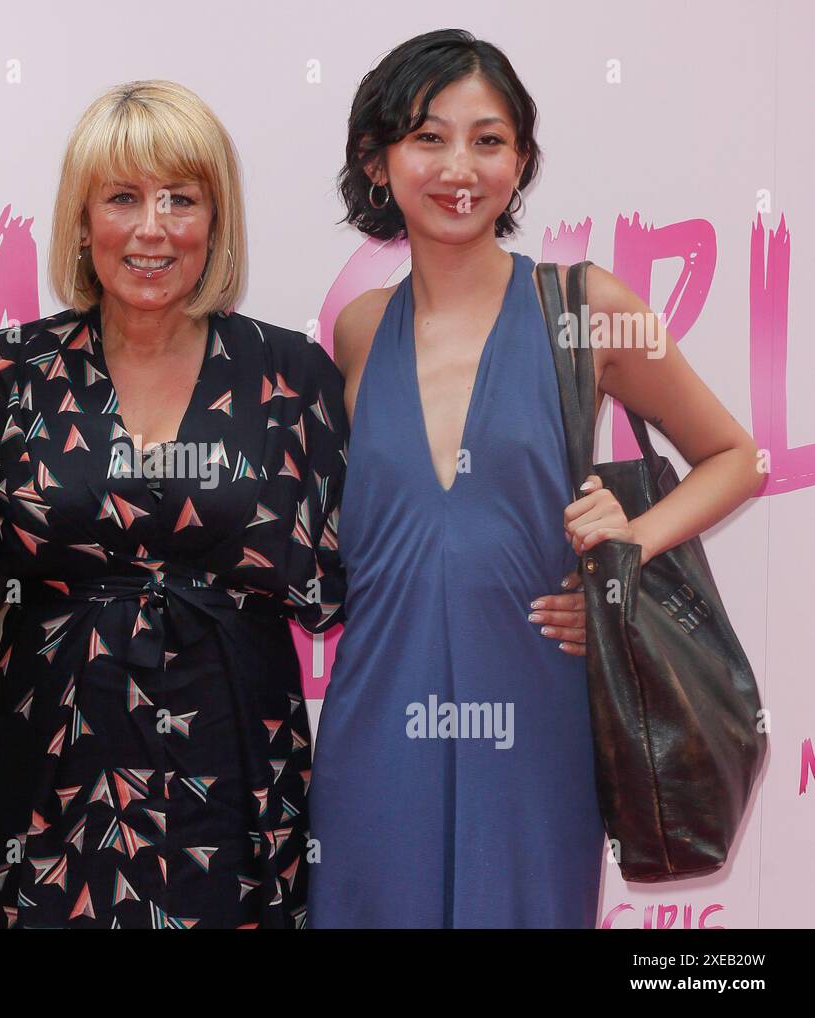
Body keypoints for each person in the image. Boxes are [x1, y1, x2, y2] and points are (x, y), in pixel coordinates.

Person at [307, 30, 761, 928]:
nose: (459, 167)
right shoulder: (358, 329)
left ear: (521, 162)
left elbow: (735, 457)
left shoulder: (585, 308)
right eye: (427, 137)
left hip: (533, 707)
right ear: (378, 160)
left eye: (489, 139)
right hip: (375, 715)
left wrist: (628, 545)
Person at [0, 80, 349, 928]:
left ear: (217, 217)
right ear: (82, 218)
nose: (152, 228)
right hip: (54, 770)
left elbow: (367, 572)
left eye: (182, 199)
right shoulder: (2, 375)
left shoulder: (291, 377)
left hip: (238, 765)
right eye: (122, 198)